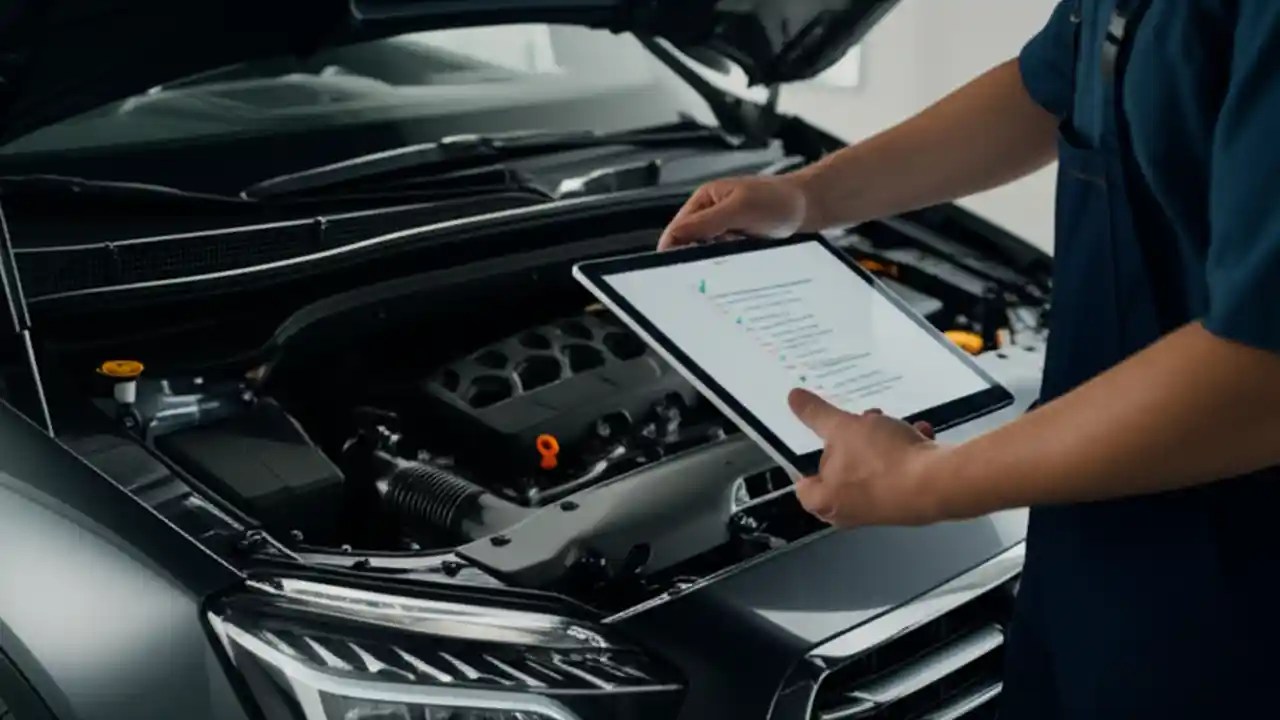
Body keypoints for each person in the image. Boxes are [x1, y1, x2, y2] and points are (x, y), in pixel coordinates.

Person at [657, 1, 1280, 718]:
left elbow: (1263, 370)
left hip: (1238, 583)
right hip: (1092, 544)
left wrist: (925, 482)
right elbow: (1047, 85)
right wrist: (805, 197)